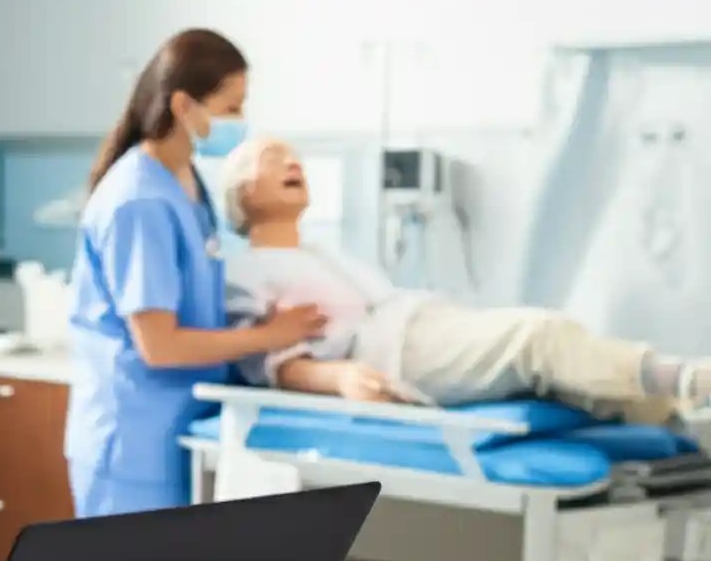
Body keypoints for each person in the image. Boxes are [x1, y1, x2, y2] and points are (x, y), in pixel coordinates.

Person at [220, 135, 711, 424]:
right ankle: (688, 378)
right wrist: (342, 378)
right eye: (273, 159)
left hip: (419, 324)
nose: (293, 164)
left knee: (566, 380)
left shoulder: (322, 252)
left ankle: (680, 422)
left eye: (297, 160)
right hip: (389, 353)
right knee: (536, 338)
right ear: (242, 190)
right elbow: (274, 361)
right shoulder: (247, 270)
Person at [64, 29, 328, 519]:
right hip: (133, 445)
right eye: (230, 108)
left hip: (183, 429)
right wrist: (271, 335)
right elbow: (159, 345)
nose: (240, 122)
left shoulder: (187, 185)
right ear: (184, 106)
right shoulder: (139, 199)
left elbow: (198, 305)